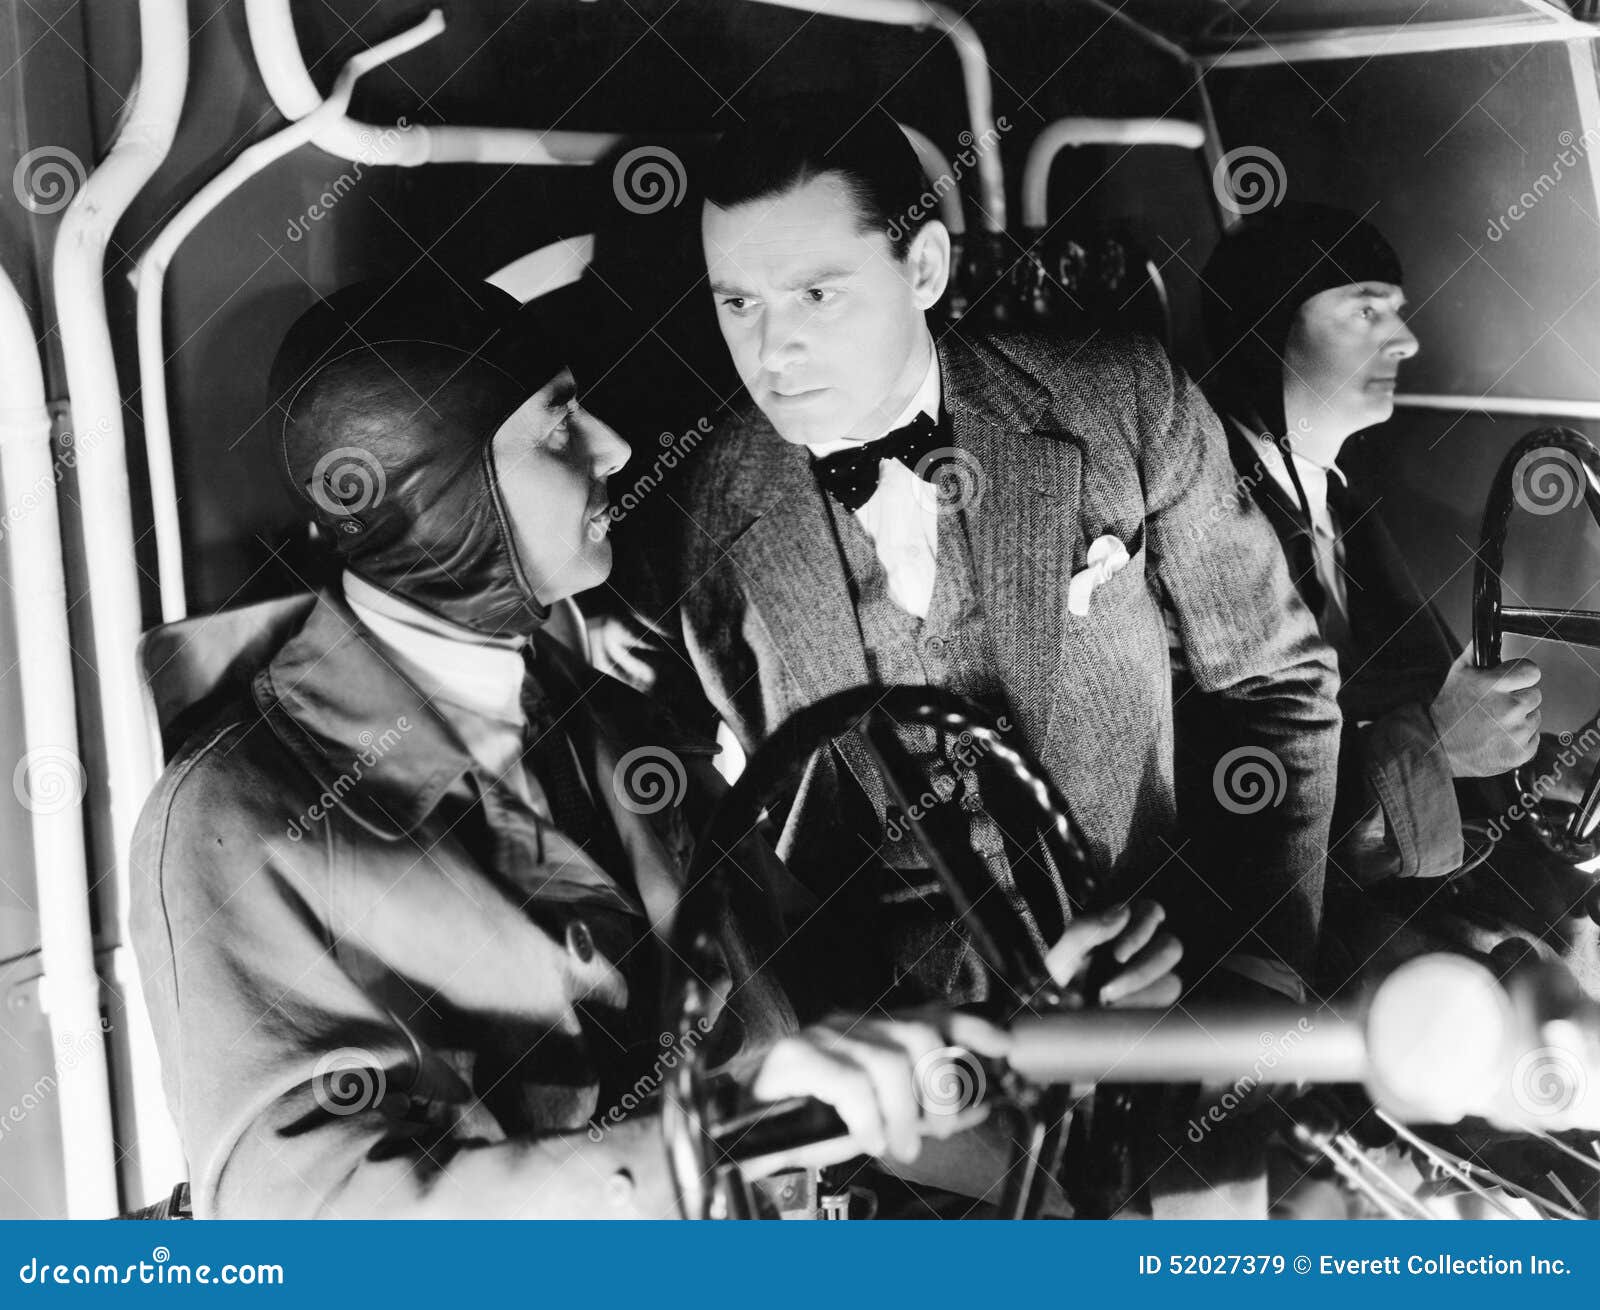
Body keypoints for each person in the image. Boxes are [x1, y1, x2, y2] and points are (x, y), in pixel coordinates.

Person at [129, 275, 1180, 1219]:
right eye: (557, 426)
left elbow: (806, 1025)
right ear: (438, 492)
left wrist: (1020, 1028)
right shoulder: (236, 813)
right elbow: (311, 1224)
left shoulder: (612, 729)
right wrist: (697, 1140)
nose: (615, 451)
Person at [616, 103, 1340, 1004]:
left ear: (923, 267)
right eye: (738, 303)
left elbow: (1277, 687)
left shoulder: (1124, 401)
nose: (772, 351)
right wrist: (785, 1022)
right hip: (885, 1049)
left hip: (1154, 992)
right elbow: (658, 789)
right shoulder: (684, 517)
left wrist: (1256, 972)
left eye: (817, 295)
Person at [1197, 203, 1543, 898]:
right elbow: (1232, 810)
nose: (1406, 340)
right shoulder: (1203, 519)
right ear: (1266, 327)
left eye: (1396, 312)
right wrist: (1437, 745)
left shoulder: (1341, 505)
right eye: (1365, 310)